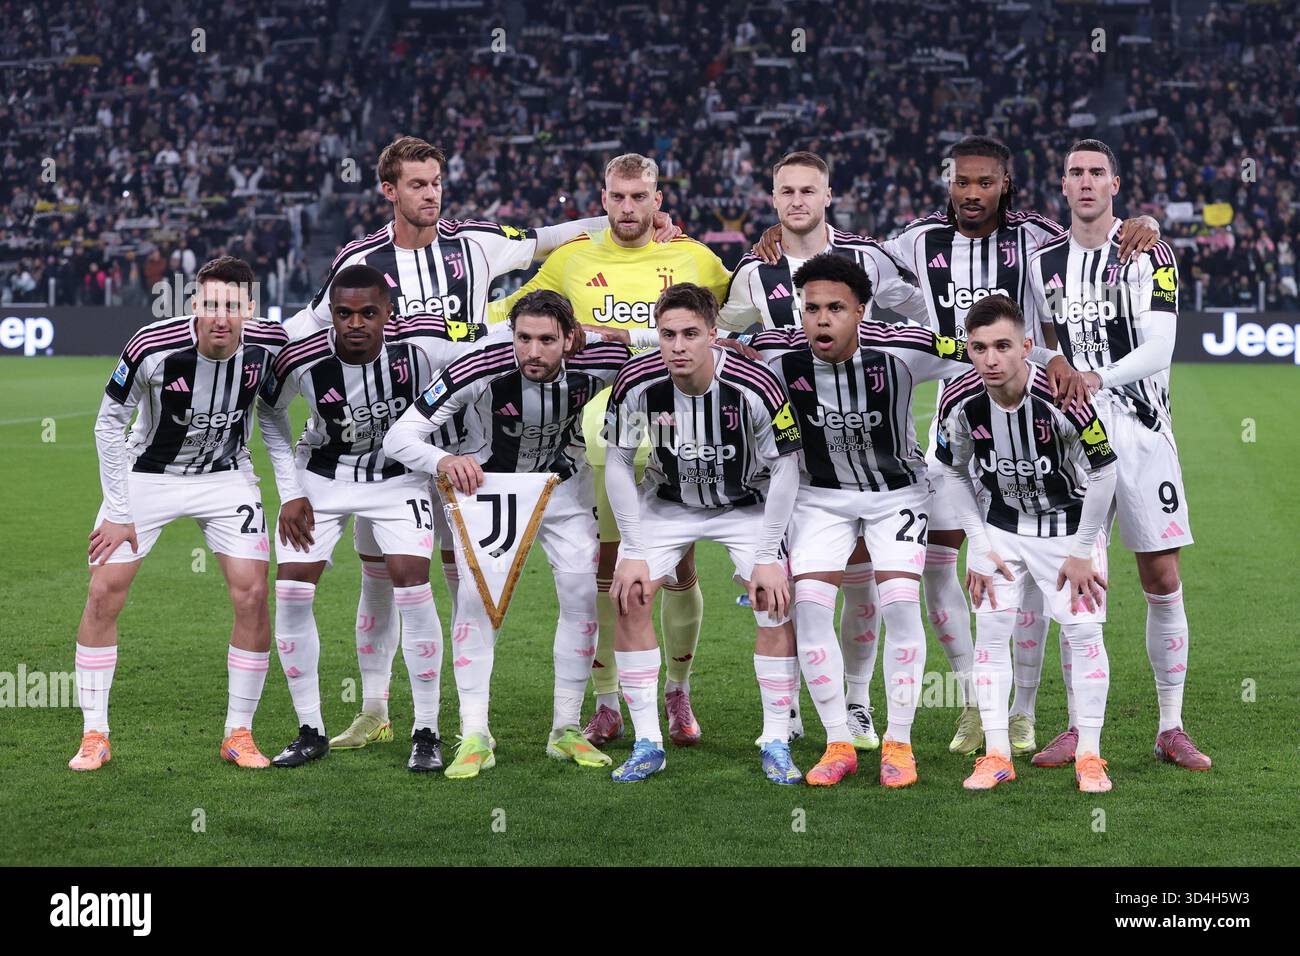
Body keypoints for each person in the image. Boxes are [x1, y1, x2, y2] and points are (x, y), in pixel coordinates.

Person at [283, 136, 673, 752]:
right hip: (395, 445)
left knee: (456, 581)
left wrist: (629, 218)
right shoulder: (361, 257)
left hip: (475, 437)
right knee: (381, 577)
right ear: (389, 190)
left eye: (437, 181)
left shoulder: (475, 244)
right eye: (417, 183)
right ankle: (378, 709)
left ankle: (444, 722)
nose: (431, 192)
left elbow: (548, 237)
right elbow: (307, 326)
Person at [491, 153, 736, 752]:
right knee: (607, 570)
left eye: (640, 197)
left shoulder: (696, 258)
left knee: (678, 567)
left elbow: (736, 322)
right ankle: (606, 704)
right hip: (599, 437)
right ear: (603, 198)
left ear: (658, 200)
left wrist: (772, 242)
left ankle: (676, 690)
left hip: (679, 432)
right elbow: (509, 317)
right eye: (618, 197)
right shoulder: (571, 258)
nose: (628, 209)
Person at [723, 149, 932, 750]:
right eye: (785, 191)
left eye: (807, 190)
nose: (796, 201)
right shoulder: (753, 272)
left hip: (877, 459)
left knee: (866, 589)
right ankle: (786, 709)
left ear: (827, 195)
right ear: (772, 199)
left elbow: (922, 311)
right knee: (790, 589)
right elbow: (729, 333)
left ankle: (859, 703)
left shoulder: (866, 256)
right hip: (793, 463)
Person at [259, 264, 503, 772]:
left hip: (398, 479)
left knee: (412, 584)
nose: (355, 324)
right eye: (343, 313)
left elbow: (485, 359)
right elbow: (270, 412)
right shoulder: (300, 359)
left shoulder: (423, 351)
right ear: (330, 314)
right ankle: (311, 730)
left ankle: (427, 730)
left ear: (388, 314)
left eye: (368, 313)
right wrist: (288, 491)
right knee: (291, 591)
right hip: (323, 478)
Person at [750, 254, 980, 787]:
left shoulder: (905, 347)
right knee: (809, 612)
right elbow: (704, 349)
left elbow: (985, 354)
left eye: (835, 308)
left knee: (900, 604)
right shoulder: (773, 352)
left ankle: (899, 743)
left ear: (861, 310)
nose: (821, 320)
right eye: (811, 309)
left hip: (895, 494)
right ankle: (838, 743)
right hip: (819, 497)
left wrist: (1055, 362)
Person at [385, 290, 632, 777]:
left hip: (563, 489)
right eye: (523, 338)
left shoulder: (603, 356)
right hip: (489, 490)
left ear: (571, 339)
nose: (533, 352)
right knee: (476, 606)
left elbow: (656, 340)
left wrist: (735, 344)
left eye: (546, 340)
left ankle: (565, 730)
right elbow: (400, 436)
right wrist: (444, 460)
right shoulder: (477, 366)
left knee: (583, 598)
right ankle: (475, 733)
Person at [1026, 138, 1210, 771]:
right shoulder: (1044, 263)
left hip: (1141, 433)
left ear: (1115, 184)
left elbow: (1160, 347)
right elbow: (1040, 340)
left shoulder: (1148, 252)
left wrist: (1097, 377)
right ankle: (1080, 727)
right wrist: (1050, 361)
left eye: (1095, 173)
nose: (1084, 183)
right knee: (1079, 582)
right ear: (1063, 184)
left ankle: (1170, 725)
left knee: (1161, 579)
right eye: (1074, 173)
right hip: (1074, 439)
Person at [69, 256, 293, 772]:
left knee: (254, 592)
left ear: (250, 309)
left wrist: (291, 491)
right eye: (211, 304)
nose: (221, 316)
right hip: (147, 475)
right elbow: (108, 425)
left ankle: (239, 731)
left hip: (225, 477)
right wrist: (120, 513)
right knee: (105, 591)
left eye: (233, 307)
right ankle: (94, 733)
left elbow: (276, 420)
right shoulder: (151, 347)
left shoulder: (268, 348)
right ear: (194, 305)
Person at [602, 283, 803, 784]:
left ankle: (776, 739)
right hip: (668, 503)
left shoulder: (755, 384)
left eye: (691, 334)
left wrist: (767, 555)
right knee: (628, 595)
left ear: (713, 335)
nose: (678, 346)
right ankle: (648, 742)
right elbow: (619, 462)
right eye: (667, 334)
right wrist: (631, 549)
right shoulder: (638, 381)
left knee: (773, 597)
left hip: (745, 504)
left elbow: (785, 469)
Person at [936, 294, 1119, 792]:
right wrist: (977, 542)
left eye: (1002, 346)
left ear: (1027, 346)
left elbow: (1104, 472)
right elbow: (951, 471)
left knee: (1084, 637)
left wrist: (1084, 549)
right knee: (991, 638)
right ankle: (996, 754)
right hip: (1001, 528)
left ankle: (1090, 756)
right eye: (978, 348)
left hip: (1067, 530)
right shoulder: (959, 401)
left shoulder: (1063, 397)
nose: (990, 359)